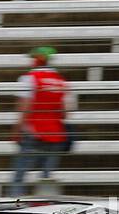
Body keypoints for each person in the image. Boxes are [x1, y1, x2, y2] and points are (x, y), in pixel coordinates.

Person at [9, 46, 72, 197]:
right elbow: (64, 113)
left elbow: (24, 108)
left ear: (37, 60)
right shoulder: (62, 82)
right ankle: (44, 209)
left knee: (20, 177)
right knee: (46, 178)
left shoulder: (29, 79)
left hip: (33, 133)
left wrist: (16, 131)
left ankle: (15, 208)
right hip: (55, 135)